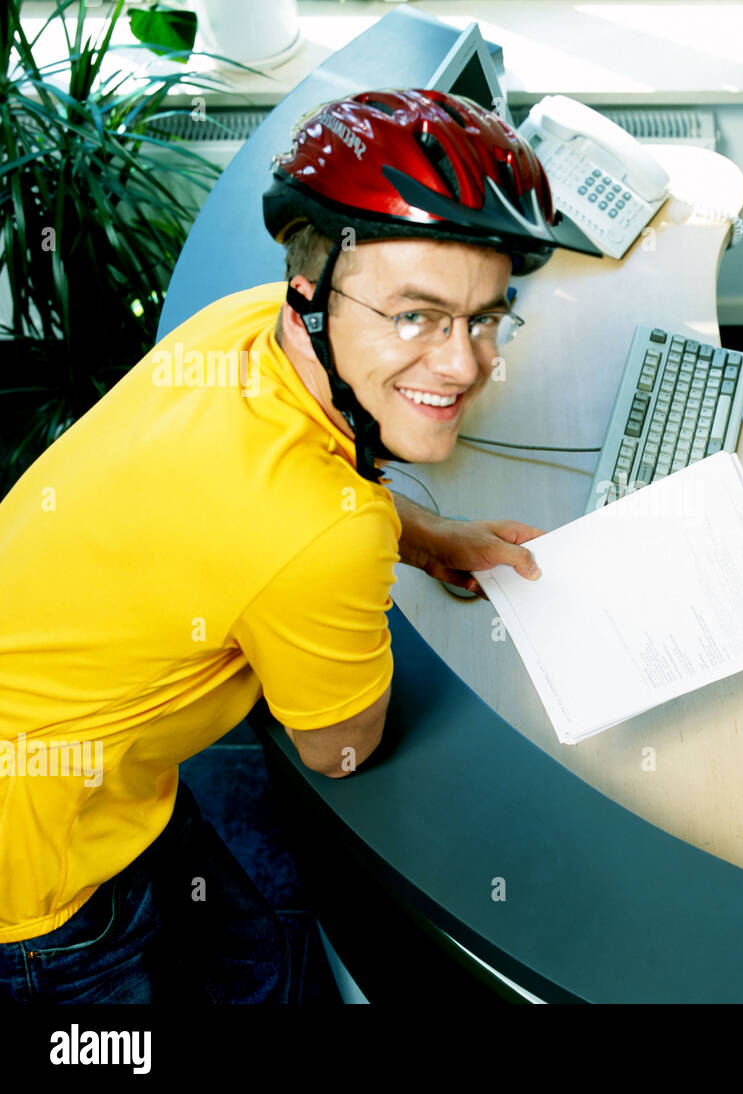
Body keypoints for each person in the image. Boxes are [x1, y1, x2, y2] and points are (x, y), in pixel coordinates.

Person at [0, 89, 595, 1001]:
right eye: (417, 316)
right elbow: (339, 753)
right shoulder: (324, 533)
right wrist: (352, 586)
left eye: (484, 317)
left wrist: (426, 537)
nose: (466, 364)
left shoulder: (244, 329)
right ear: (314, 299)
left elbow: (280, 500)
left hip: (105, 770)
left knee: (251, 966)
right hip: (39, 880)